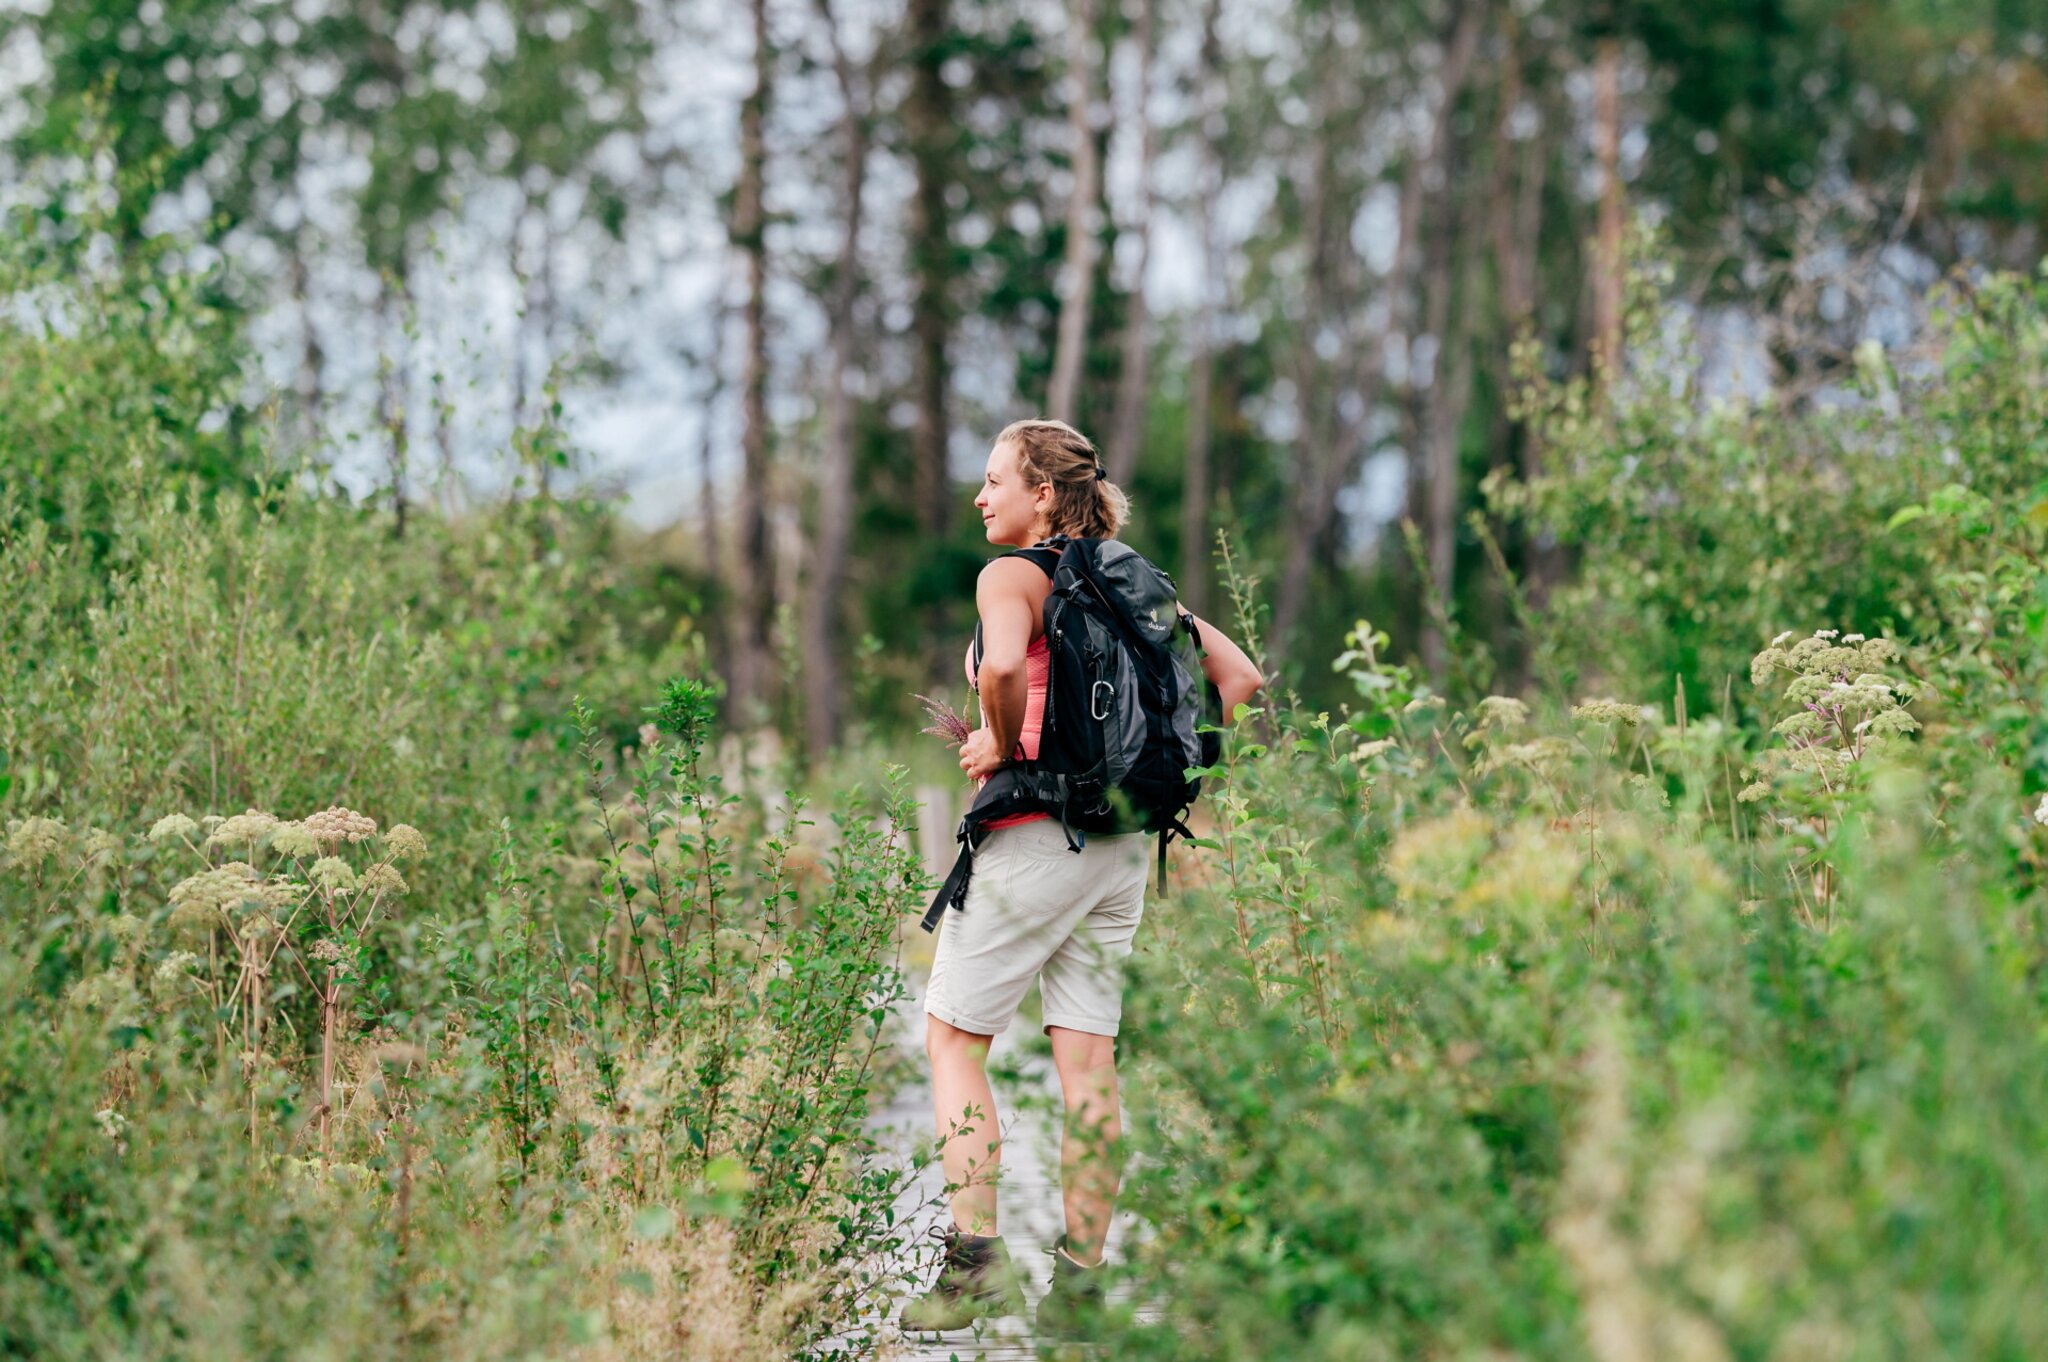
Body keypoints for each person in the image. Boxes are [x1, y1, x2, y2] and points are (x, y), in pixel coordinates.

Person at [901, 418, 1262, 1338]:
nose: (981, 498)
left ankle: (974, 1264)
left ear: (1044, 496)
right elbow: (1242, 678)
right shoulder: (1136, 584)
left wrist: (998, 735)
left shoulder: (1011, 575)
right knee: (1089, 1067)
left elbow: (1005, 669)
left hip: (1036, 838)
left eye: (994, 481)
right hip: (1123, 850)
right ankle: (1083, 1290)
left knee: (952, 1042)